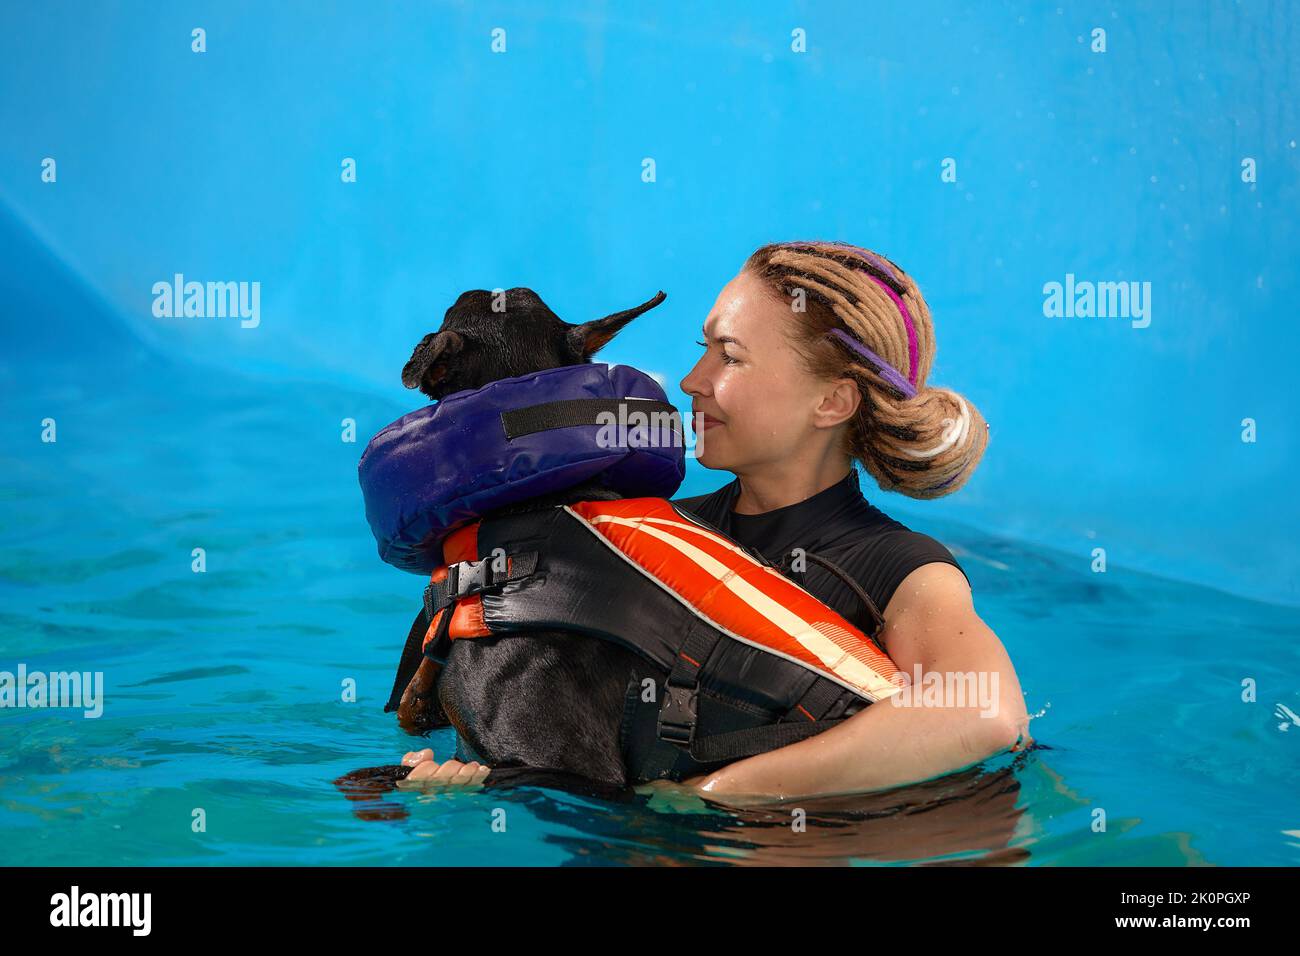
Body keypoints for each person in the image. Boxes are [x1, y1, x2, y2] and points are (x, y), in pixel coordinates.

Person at [402, 240, 1033, 802]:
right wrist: (470, 776)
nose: (690, 380)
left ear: (832, 401)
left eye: (729, 357)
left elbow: (987, 714)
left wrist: (720, 791)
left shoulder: (897, 567)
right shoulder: (643, 535)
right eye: (702, 349)